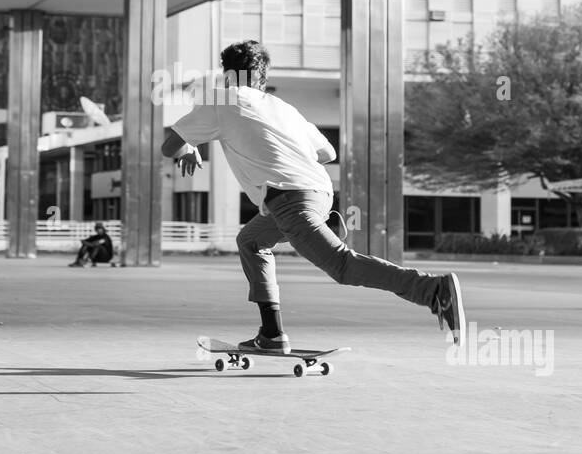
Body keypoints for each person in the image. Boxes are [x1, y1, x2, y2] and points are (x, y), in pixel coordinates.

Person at [162, 40, 464, 351]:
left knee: (342, 266)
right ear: (262, 79)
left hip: (289, 200)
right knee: (250, 241)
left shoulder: (221, 100)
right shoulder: (283, 108)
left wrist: (190, 147)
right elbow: (327, 152)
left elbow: (170, 145)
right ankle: (271, 334)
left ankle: (432, 290)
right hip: (318, 193)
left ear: (227, 76)